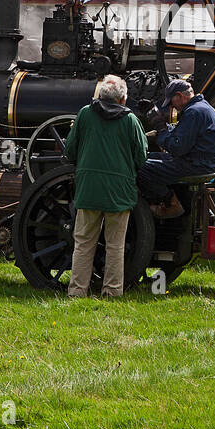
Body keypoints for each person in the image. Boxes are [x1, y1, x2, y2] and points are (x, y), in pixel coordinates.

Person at [61, 74, 148, 298]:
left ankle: (77, 291)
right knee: (115, 245)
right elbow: (142, 155)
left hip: (89, 189)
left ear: (99, 96)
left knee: (83, 243)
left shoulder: (85, 114)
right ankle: (111, 291)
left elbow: (70, 150)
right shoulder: (130, 120)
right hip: (119, 192)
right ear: (123, 99)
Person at [138, 79, 215, 219]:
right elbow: (182, 135)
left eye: (172, 102)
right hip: (201, 161)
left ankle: (171, 203)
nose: (173, 107)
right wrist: (164, 125)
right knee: (146, 156)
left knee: (139, 166)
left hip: (196, 165)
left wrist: (160, 128)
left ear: (180, 96)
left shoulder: (193, 112)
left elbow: (177, 148)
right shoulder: (202, 107)